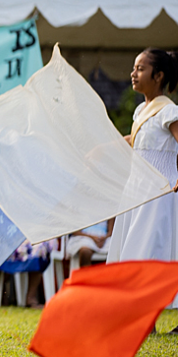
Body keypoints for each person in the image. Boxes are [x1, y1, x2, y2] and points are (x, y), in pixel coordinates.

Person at [107, 48, 178, 322]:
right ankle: (142, 317)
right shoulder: (141, 111)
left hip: (159, 193)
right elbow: (137, 141)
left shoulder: (168, 110)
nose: (133, 74)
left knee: (151, 250)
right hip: (137, 192)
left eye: (140, 69)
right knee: (134, 249)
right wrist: (101, 148)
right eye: (134, 68)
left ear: (158, 76)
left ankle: (145, 317)